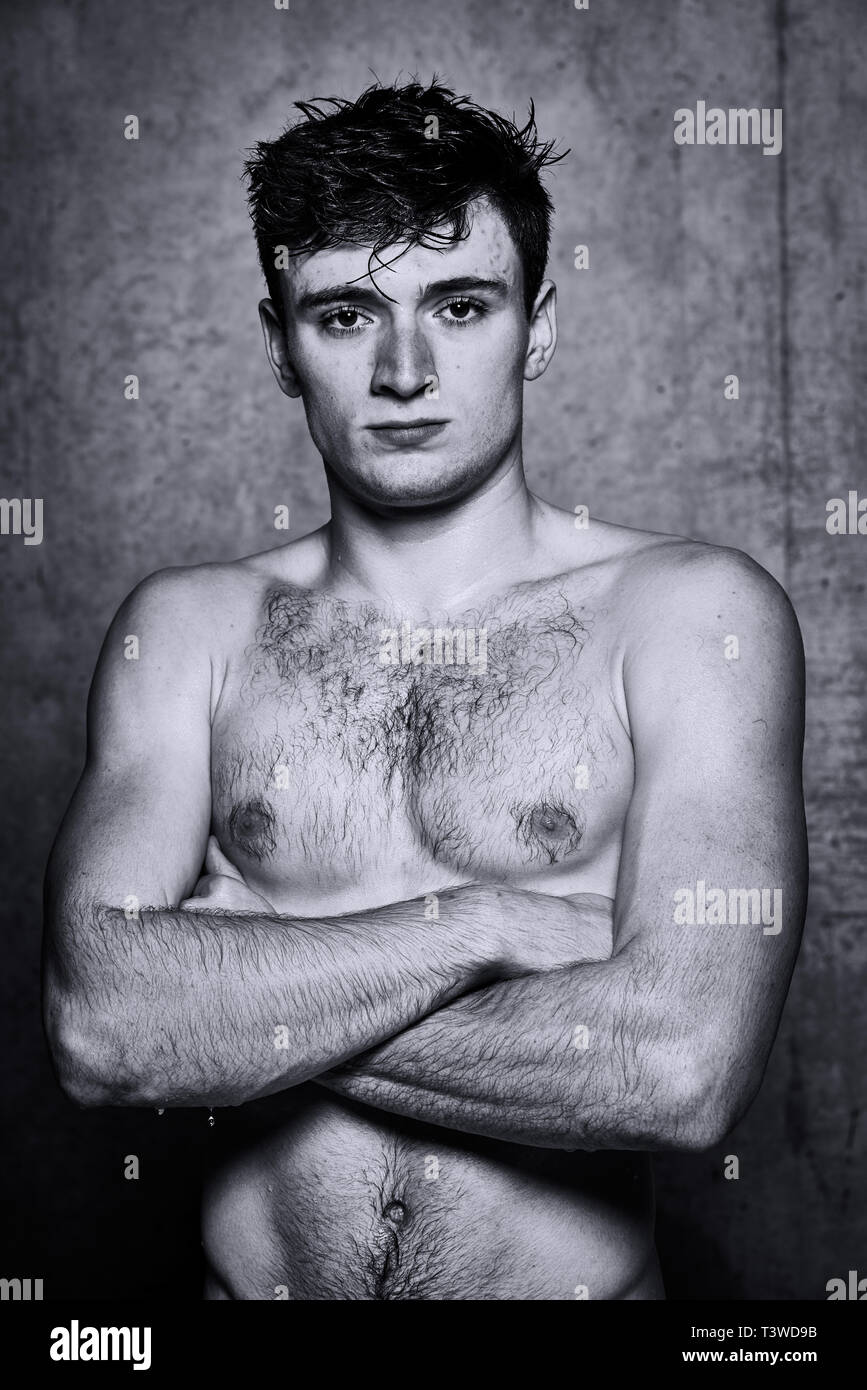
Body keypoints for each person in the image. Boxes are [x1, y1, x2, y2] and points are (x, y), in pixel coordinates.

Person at [43, 80, 807, 1300]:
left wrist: (239, 995)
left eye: (460, 305)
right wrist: (487, 928)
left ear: (538, 327)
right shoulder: (186, 630)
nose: (405, 367)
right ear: (279, 345)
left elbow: (677, 1068)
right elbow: (101, 1028)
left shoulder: (692, 618)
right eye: (346, 315)